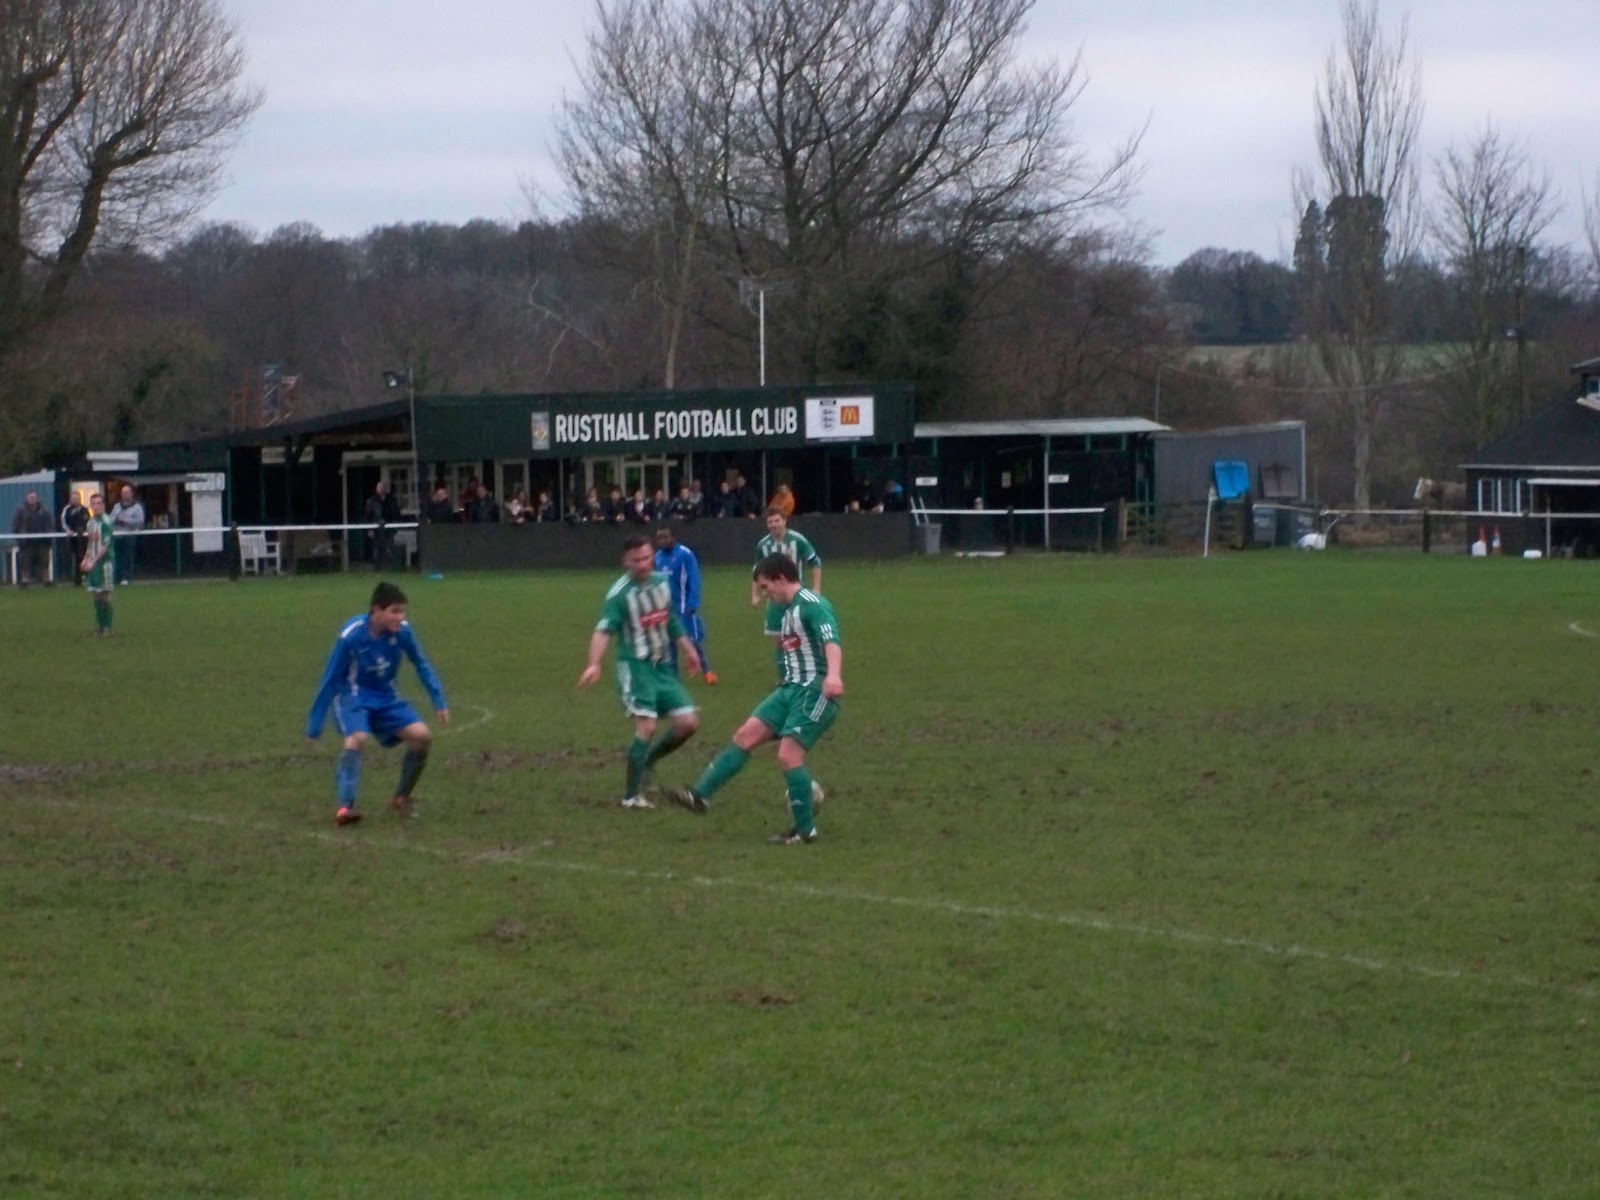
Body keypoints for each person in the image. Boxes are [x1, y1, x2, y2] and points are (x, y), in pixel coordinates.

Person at [661, 553, 842, 845]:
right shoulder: (787, 609)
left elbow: (831, 640)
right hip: (789, 690)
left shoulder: (813, 605)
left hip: (815, 690)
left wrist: (834, 676)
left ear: (781, 579)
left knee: (788, 756)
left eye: (765, 587)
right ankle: (699, 796)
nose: (765, 594)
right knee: (745, 735)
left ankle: (805, 830)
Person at [306, 581, 449, 826]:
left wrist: (438, 699)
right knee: (357, 739)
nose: (401, 617)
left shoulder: (403, 632)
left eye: (402, 611)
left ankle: (401, 798)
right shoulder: (352, 635)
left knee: (422, 736)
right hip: (353, 695)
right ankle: (346, 807)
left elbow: (422, 664)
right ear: (376, 610)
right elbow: (330, 678)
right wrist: (315, 724)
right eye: (395, 611)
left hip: (385, 696)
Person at [577, 534, 703, 809]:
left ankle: (648, 761)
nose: (644, 564)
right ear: (626, 562)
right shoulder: (620, 595)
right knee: (646, 726)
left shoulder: (661, 583)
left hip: (661, 667)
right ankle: (631, 796)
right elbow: (603, 631)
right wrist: (594, 663)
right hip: (634, 668)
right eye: (638, 560)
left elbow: (669, 620)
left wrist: (689, 650)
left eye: (648, 558)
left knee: (688, 723)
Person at [655, 525, 717, 685]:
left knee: (693, 641)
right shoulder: (658, 557)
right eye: (659, 538)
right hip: (666, 609)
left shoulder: (685, 554)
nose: (662, 541)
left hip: (685, 608)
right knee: (669, 644)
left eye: (665, 537)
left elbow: (694, 578)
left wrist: (693, 601)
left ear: (673, 538)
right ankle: (674, 679)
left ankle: (708, 672)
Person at [80, 493, 116, 634]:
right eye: (93, 503)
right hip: (94, 563)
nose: (96, 506)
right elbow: (91, 542)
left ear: (103, 505)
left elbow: (105, 545)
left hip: (105, 563)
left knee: (105, 594)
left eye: (99, 503)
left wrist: (94, 560)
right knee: (95, 593)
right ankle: (100, 626)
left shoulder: (106, 522)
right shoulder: (90, 523)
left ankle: (107, 627)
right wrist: (85, 558)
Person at [11, 490, 54, 586]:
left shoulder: (44, 510)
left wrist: (48, 537)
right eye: (30, 498)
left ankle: (47, 581)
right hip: (26, 542)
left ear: (37, 498)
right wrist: (20, 539)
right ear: (27, 498)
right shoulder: (21, 510)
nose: (32, 500)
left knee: (45, 561)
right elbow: (15, 526)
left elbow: (49, 524)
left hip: (43, 541)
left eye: (34, 498)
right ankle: (24, 581)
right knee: (25, 562)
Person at [109, 484, 144, 585]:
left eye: (127, 492)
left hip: (129, 536)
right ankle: (117, 578)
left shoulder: (137, 507)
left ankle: (127, 578)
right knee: (117, 558)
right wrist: (115, 520)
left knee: (127, 558)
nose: (125, 495)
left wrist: (125, 520)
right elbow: (110, 519)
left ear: (132, 494)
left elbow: (140, 521)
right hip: (117, 536)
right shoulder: (117, 506)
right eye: (123, 493)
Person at [364, 480, 401, 571]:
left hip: (390, 528)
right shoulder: (371, 501)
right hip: (377, 529)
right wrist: (370, 529)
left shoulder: (391, 500)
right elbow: (367, 516)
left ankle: (393, 569)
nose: (379, 489)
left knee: (391, 547)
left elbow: (396, 513)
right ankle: (377, 569)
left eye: (381, 487)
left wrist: (395, 526)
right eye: (378, 487)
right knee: (377, 550)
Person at [60, 491, 89, 585]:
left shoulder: (85, 510)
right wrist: (68, 531)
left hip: (84, 539)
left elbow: (88, 522)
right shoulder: (67, 509)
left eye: (77, 498)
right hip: (72, 539)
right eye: (74, 499)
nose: (75, 500)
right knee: (75, 558)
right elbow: (63, 521)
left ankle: (84, 577)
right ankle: (75, 579)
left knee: (84, 557)